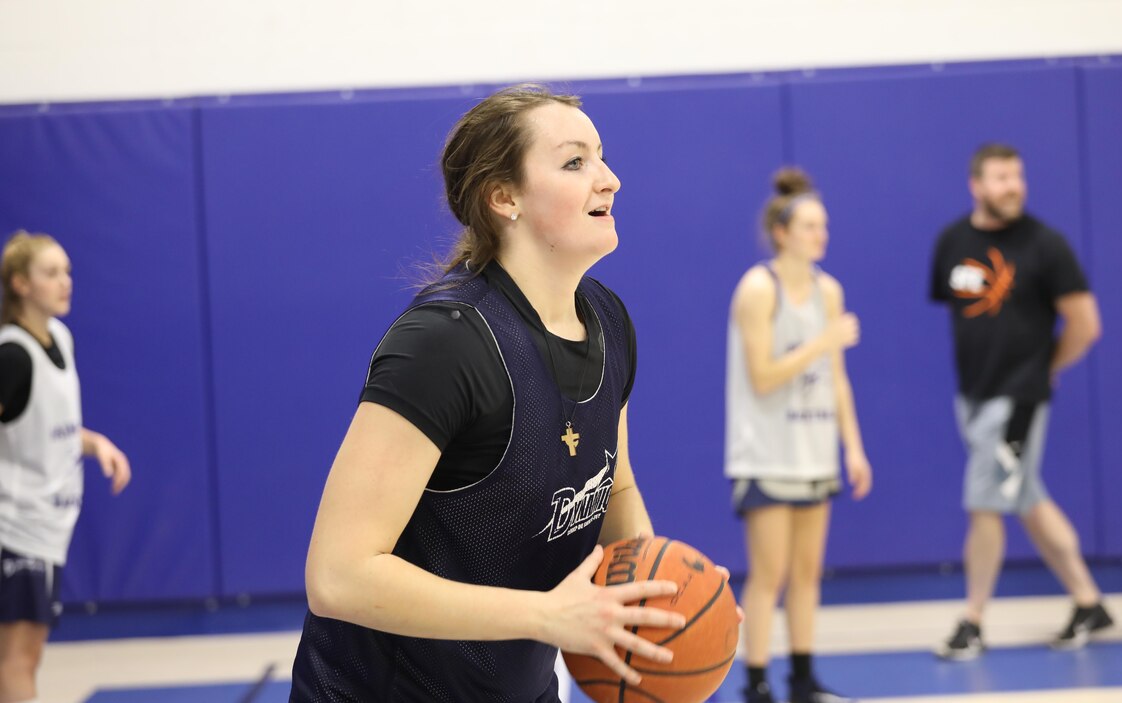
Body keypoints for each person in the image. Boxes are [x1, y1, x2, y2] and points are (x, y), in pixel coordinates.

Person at [289, 85, 687, 702]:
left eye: (602, 157)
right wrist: (542, 616)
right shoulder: (444, 344)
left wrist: (669, 603)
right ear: (504, 198)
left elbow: (616, 489)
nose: (609, 179)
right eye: (575, 161)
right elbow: (338, 576)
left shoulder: (606, 319)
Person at [929, 143, 1112, 660]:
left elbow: (1086, 324)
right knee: (1027, 497)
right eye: (1001, 177)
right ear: (976, 185)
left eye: (1018, 176)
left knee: (984, 503)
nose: (1013, 185)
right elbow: (963, 316)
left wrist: (1045, 369)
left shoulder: (1045, 245)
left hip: (1019, 399)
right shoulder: (952, 241)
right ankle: (1088, 600)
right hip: (972, 396)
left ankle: (973, 620)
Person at [725, 168, 872, 703]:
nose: (821, 235)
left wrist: (852, 446)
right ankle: (758, 683)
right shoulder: (758, 288)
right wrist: (822, 341)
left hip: (815, 452)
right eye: (811, 225)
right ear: (782, 232)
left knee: (808, 575)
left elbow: (836, 379)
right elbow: (763, 377)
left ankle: (804, 680)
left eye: (824, 225)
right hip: (767, 453)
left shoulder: (828, 291)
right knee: (770, 576)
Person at [0, 230, 131, 703]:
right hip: (15, 529)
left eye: (68, 271)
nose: (65, 282)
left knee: (24, 655)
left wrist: (97, 445)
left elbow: (42, 425)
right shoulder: (11, 355)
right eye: (51, 272)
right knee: (18, 658)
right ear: (19, 284)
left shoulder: (59, 338)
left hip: (47, 526)